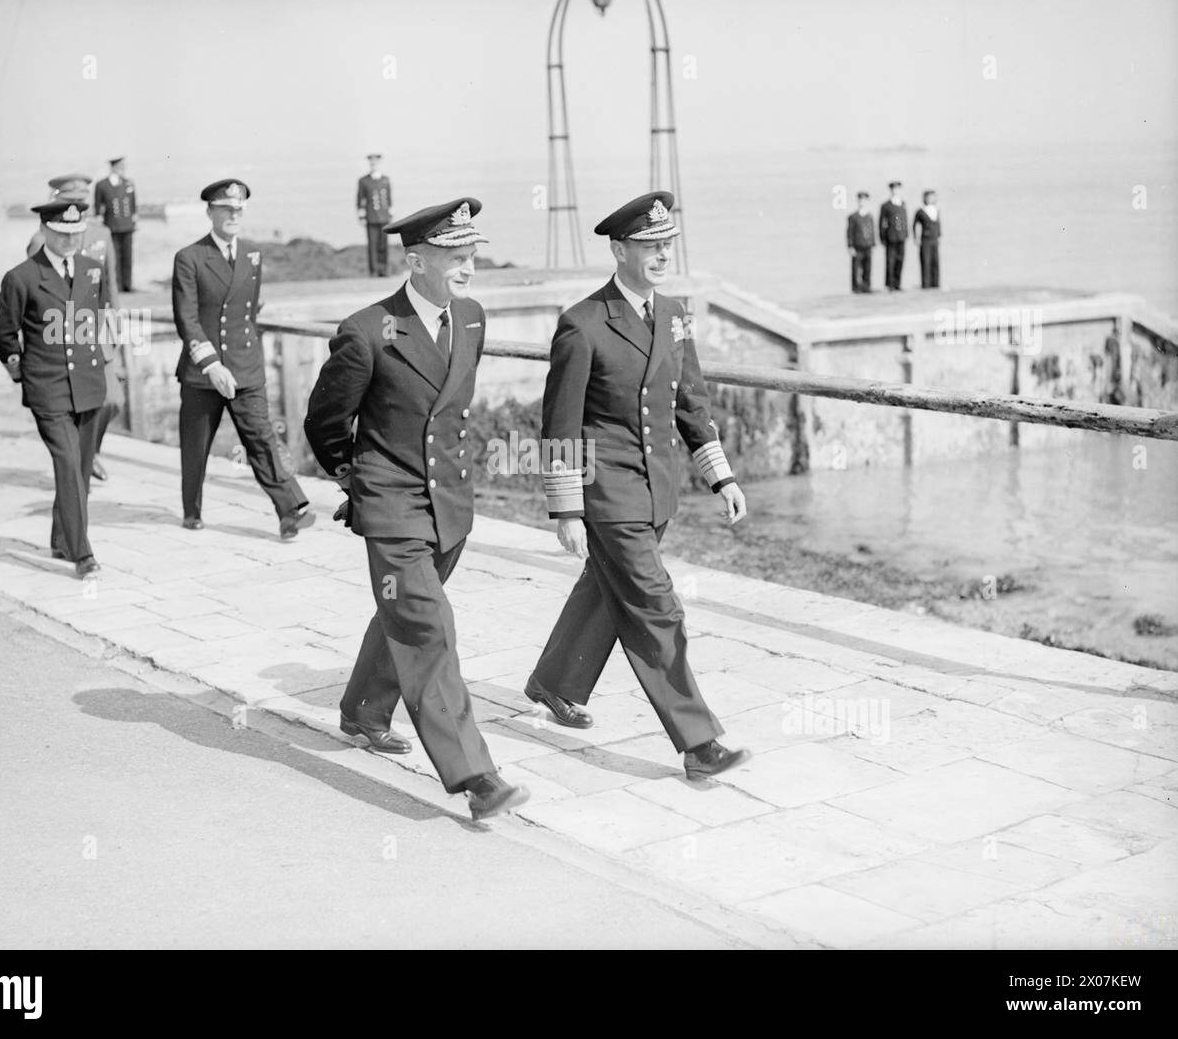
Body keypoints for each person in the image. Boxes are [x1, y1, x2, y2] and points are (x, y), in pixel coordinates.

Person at [303, 198, 528, 821]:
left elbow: (451, 412)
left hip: (450, 507)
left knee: (404, 615)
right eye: (456, 258)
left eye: (471, 256)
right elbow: (324, 423)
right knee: (430, 630)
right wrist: (359, 484)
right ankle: (476, 777)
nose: (468, 269)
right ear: (415, 261)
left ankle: (361, 712)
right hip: (392, 507)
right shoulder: (367, 331)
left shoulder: (472, 319)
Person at [524, 191, 751, 782]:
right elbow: (560, 424)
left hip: (658, 492)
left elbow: (691, 401)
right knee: (657, 607)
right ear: (619, 249)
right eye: (648, 245)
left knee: (605, 589)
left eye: (666, 245)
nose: (659, 255)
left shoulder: (674, 313)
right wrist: (567, 510)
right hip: (609, 494)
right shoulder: (583, 323)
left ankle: (555, 683)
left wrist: (718, 473)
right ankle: (699, 743)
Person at [171, 179, 315, 539]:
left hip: (246, 365)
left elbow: (249, 311)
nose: (233, 215)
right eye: (225, 209)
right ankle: (192, 509)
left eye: (238, 210)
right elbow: (186, 319)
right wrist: (212, 365)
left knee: (261, 437)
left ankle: (289, 509)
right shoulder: (189, 258)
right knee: (196, 444)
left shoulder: (252, 253)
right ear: (210, 212)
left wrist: (242, 359)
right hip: (204, 371)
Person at [0, 201, 108, 578]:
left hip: (88, 386)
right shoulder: (21, 277)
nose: (71, 240)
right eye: (62, 233)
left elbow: (95, 319)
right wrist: (20, 371)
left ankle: (61, 540)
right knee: (69, 464)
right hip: (48, 387)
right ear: (44, 230)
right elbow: (4, 335)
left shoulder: (93, 271)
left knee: (82, 470)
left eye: (76, 233)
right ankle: (82, 553)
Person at [28, 173, 122, 481]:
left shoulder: (101, 234)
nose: (76, 206)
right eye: (69, 201)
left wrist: (115, 329)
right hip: (61, 341)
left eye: (81, 201)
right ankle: (79, 467)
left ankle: (89, 452)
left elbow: (110, 285)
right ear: (57, 200)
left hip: (96, 333)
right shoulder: (42, 241)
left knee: (112, 400)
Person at [94, 156, 137, 292]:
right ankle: (116, 285)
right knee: (114, 257)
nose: (122, 169)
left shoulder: (128, 183)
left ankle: (127, 285)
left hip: (127, 225)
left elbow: (133, 205)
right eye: (119, 166)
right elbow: (97, 208)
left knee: (127, 256)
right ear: (112, 167)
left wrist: (134, 219)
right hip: (111, 226)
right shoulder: (102, 185)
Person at [356, 153, 392, 277]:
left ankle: (384, 269)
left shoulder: (385, 180)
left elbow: (389, 199)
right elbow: (360, 199)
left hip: (384, 217)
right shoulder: (363, 181)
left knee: (384, 245)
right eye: (371, 162)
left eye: (375, 161)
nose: (373, 164)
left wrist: (390, 214)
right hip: (371, 217)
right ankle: (374, 271)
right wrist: (361, 216)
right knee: (372, 245)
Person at [879, 180, 908, 291]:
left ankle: (897, 283)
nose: (895, 191)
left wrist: (906, 234)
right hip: (890, 237)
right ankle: (890, 284)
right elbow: (882, 222)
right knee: (890, 261)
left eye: (897, 189)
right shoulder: (886, 205)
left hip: (901, 237)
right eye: (893, 189)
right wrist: (882, 237)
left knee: (900, 260)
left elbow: (905, 220)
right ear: (891, 190)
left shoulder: (902, 203)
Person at [846, 191, 876, 293]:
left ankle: (866, 286)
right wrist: (850, 246)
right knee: (856, 268)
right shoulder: (853, 217)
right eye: (860, 200)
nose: (862, 202)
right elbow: (849, 232)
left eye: (864, 200)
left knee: (867, 268)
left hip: (868, 245)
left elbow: (872, 231)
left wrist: (873, 244)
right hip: (857, 246)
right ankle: (856, 287)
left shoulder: (869, 216)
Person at [913, 189, 941, 289]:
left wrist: (939, 236)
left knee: (935, 261)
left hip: (934, 239)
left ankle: (935, 284)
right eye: (929, 197)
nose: (931, 199)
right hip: (925, 239)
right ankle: (926, 284)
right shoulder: (920, 211)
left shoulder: (936, 210)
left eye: (932, 197)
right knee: (926, 261)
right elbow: (915, 225)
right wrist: (917, 238)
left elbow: (938, 225)